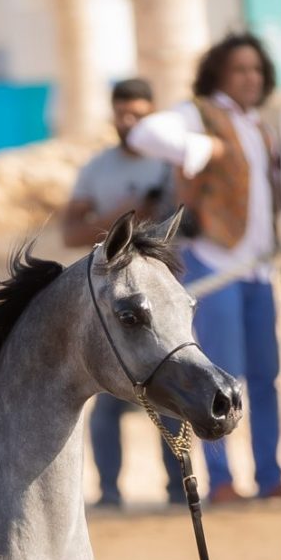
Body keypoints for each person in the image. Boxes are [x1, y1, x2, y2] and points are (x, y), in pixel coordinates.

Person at [127, 31, 281, 503]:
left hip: (256, 266)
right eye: (240, 69)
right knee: (221, 375)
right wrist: (201, 149)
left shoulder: (260, 125)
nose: (250, 78)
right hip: (215, 262)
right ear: (219, 72)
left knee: (266, 376)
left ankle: (271, 475)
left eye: (256, 69)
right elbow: (145, 133)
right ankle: (221, 480)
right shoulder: (200, 113)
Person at [61, 78, 185, 508]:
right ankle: (110, 493)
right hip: (114, 300)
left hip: (164, 294)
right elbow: (70, 231)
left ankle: (179, 490)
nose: (129, 121)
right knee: (109, 398)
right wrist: (118, 221)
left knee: (174, 390)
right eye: (122, 113)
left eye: (139, 113)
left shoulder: (172, 165)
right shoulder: (96, 169)